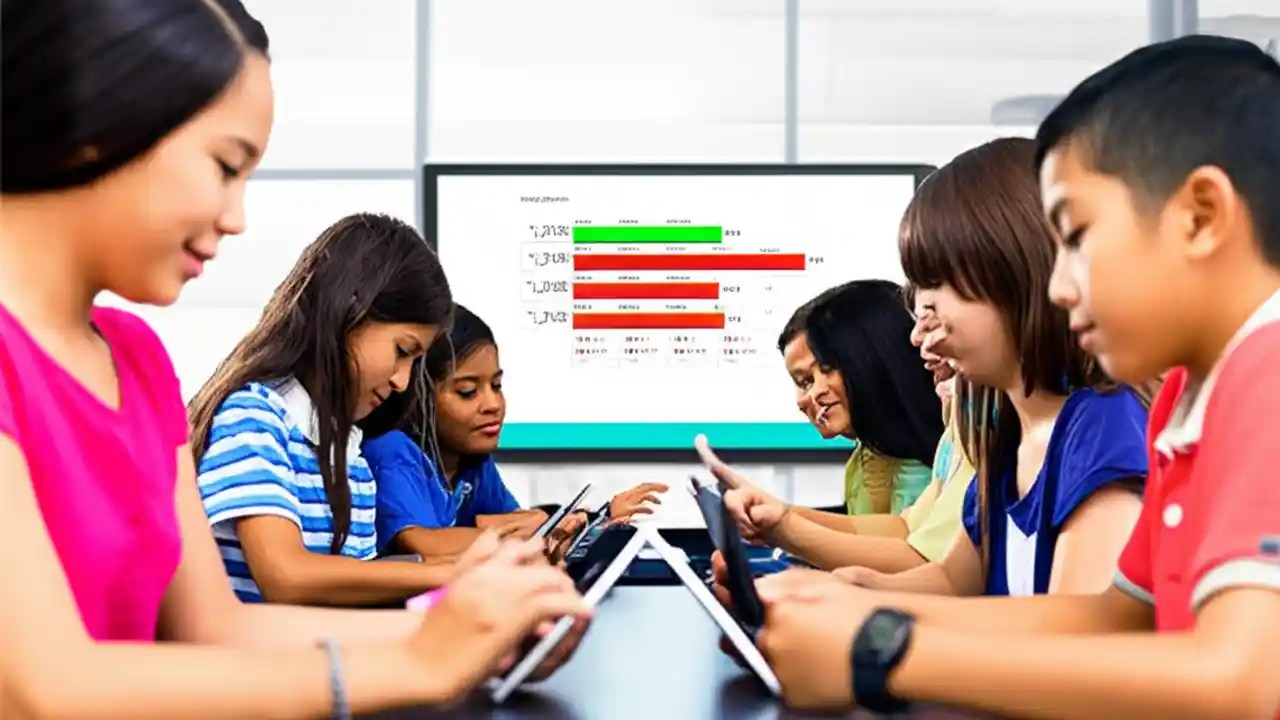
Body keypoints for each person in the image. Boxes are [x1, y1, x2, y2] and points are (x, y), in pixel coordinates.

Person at [0, 4, 586, 716]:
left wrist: (464, 633)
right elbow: (43, 689)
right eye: (224, 166)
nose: (236, 217)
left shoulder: (138, 362)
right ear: (96, 126)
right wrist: (418, 658)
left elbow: (217, 629)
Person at [733, 36, 1280, 717]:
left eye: (1076, 239)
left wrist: (884, 650)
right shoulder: (1185, 400)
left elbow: (1246, 684)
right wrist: (851, 610)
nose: (1058, 287)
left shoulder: (1268, 376)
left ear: (1201, 217)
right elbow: (1114, 619)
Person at [710, 137, 1148, 603]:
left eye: (939, 287)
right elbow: (952, 581)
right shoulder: (1002, 441)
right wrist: (833, 590)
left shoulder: (1101, 425)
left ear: (1020, 275)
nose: (919, 336)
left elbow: (1070, 637)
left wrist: (869, 631)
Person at [361, 304, 668, 561]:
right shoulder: (392, 451)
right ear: (417, 395)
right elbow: (423, 545)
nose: (493, 404)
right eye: (468, 391)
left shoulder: (473, 464)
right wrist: (515, 531)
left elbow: (527, 523)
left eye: (496, 386)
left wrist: (594, 520)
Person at [710, 280, 959, 573]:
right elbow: (902, 529)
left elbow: (918, 561)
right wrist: (779, 517)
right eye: (803, 382)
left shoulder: (957, 448)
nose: (810, 396)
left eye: (825, 369)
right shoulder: (872, 459)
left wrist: (786, 527)